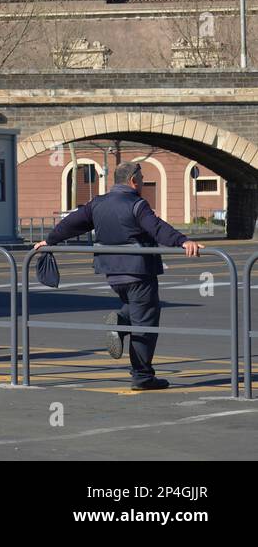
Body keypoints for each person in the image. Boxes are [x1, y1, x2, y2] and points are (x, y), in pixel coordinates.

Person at [36, 160, 203, 390]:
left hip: (112, 273)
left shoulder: (97, 203)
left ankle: (121, 322)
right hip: (138, 272)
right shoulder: (137, 204)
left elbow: (72, 222)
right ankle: (142, 376)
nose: (143, 183)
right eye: (142, 179)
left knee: (136, 310)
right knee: (145, 322)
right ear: (134, 180)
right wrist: (182, 240)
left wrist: (51, 239)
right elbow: (157, 227)